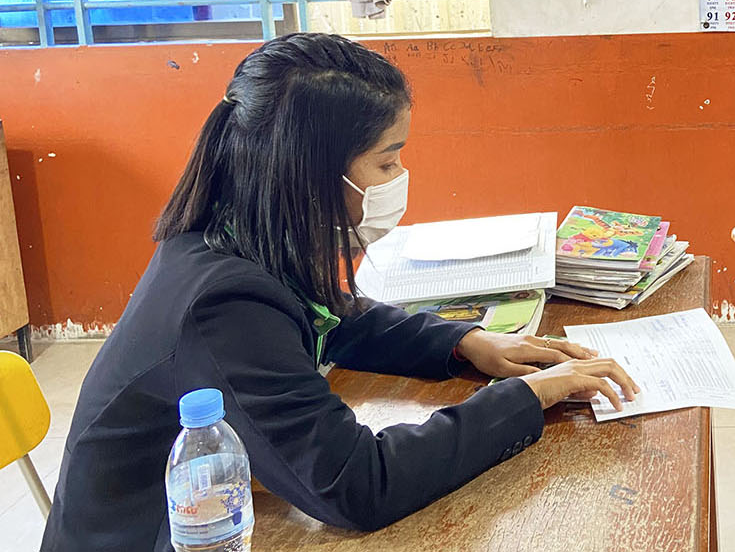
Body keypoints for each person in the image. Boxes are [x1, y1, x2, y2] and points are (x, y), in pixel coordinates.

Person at [41, 33, 639, 551]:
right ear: (309, 172)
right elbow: (356, 484)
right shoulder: (224, 306)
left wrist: (466, 343)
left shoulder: (236, 235)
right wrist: (524, 398)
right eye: (386, 163)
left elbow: (335, 315)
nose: (398, 180)